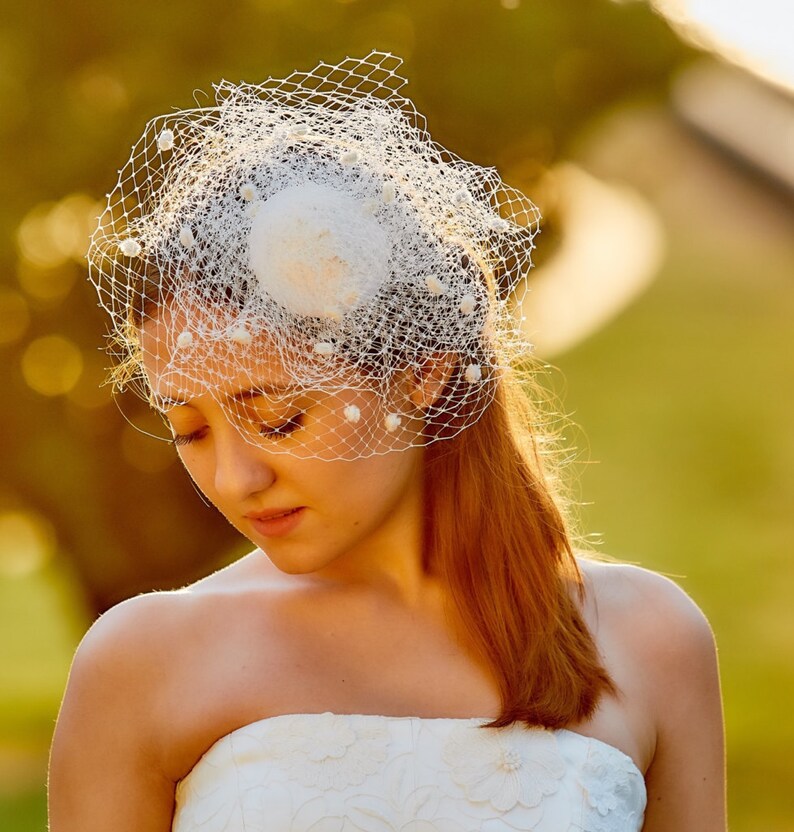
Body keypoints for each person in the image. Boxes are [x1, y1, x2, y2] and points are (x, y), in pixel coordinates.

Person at [48, 52, 726, 831]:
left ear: (422, 374)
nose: (234, 479)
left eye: (278, 418)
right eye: (189, 429)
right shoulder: (143, 661)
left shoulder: (651, 639)